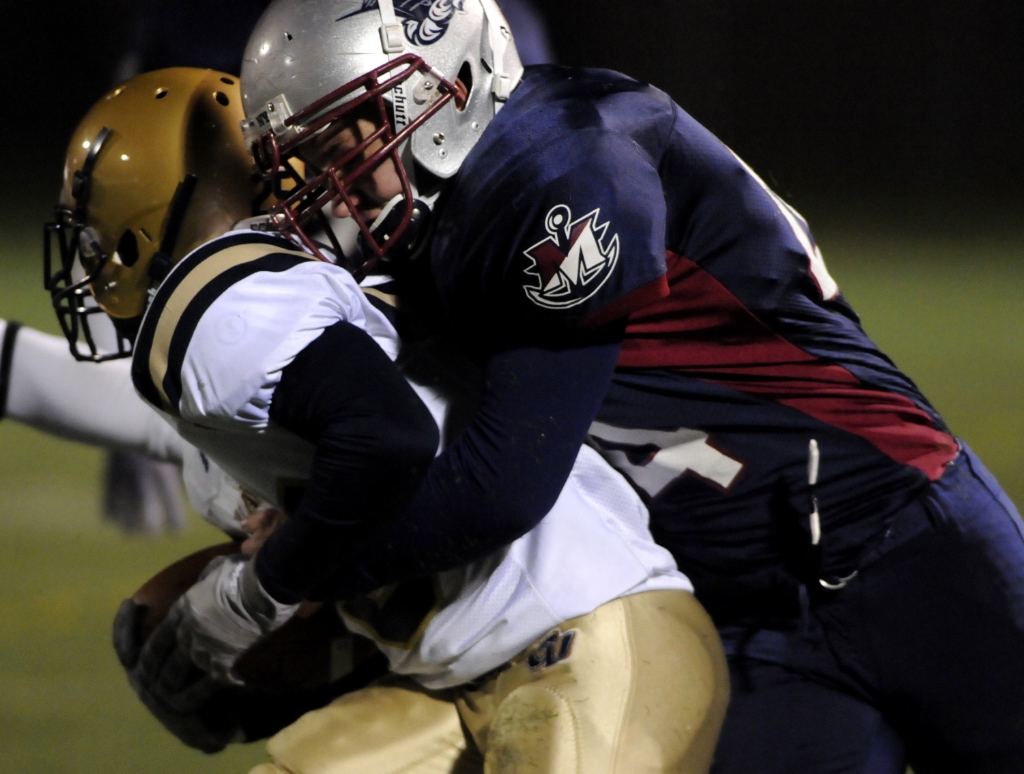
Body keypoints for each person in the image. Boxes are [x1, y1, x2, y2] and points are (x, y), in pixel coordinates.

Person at [237, 1, 1024, 772]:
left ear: (440, 90)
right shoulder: (438, 217)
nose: (334, 187)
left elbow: (501, 486)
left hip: (907, 545)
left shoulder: (563, 164)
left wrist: (300, 566)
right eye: (310, 158)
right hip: (742, 618)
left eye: (347, 142)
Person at [46, 67, 728, 771]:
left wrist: (256, 595)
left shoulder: (223, 307)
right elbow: (103, 403)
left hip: (585, 631)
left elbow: (386, 440)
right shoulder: (263, 331)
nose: (89, 259)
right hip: (453, 681)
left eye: (95, 234)